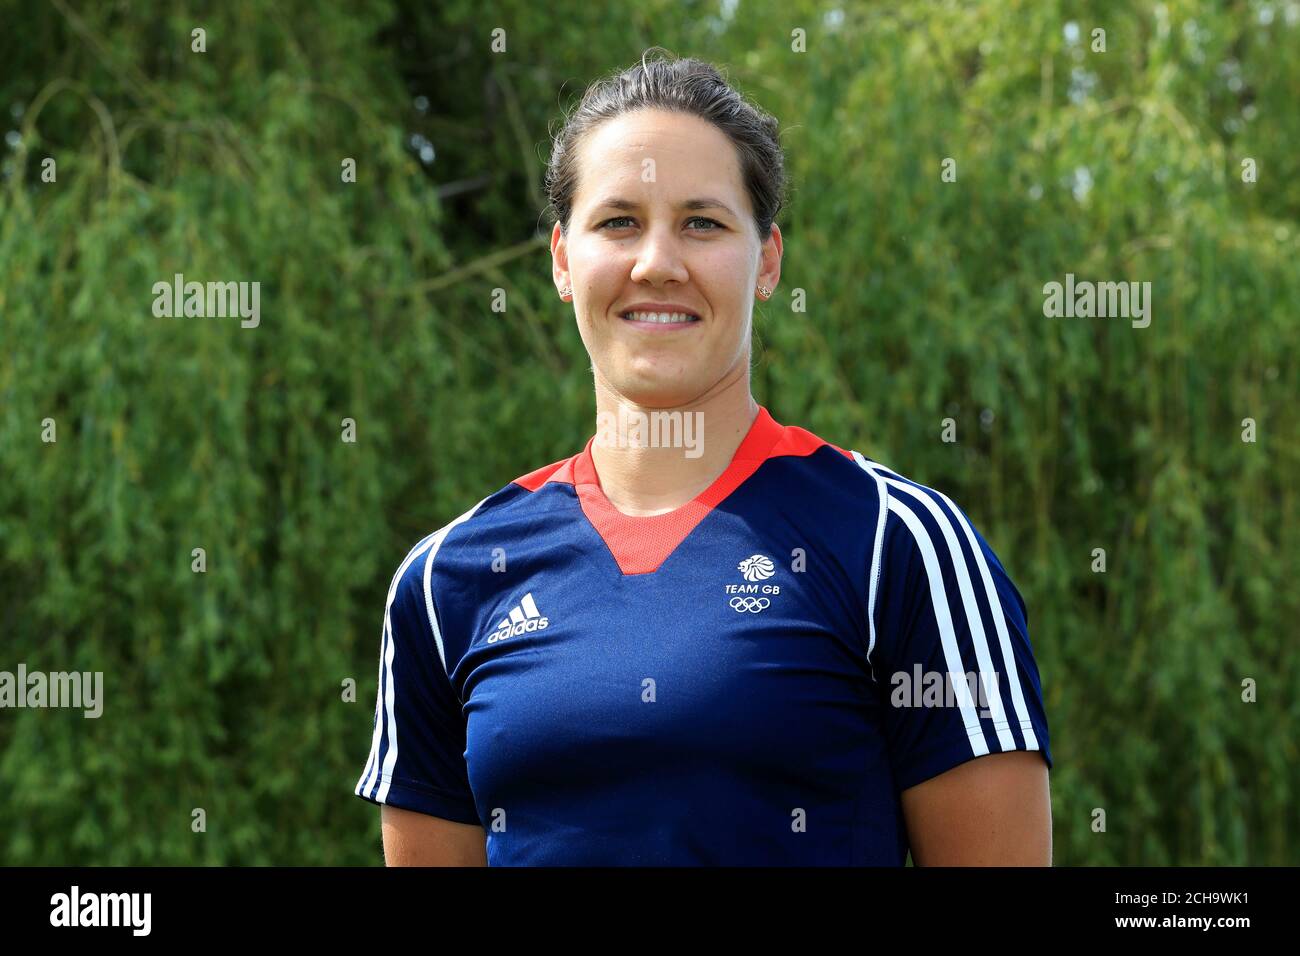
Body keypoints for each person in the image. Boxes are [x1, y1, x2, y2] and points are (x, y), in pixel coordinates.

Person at [355, 50, 1052, 866]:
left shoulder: (901, 546)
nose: (658, 262)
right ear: (560, 261)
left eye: (703, 223)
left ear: (768, 263)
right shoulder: (447, 582)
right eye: (618, 222)